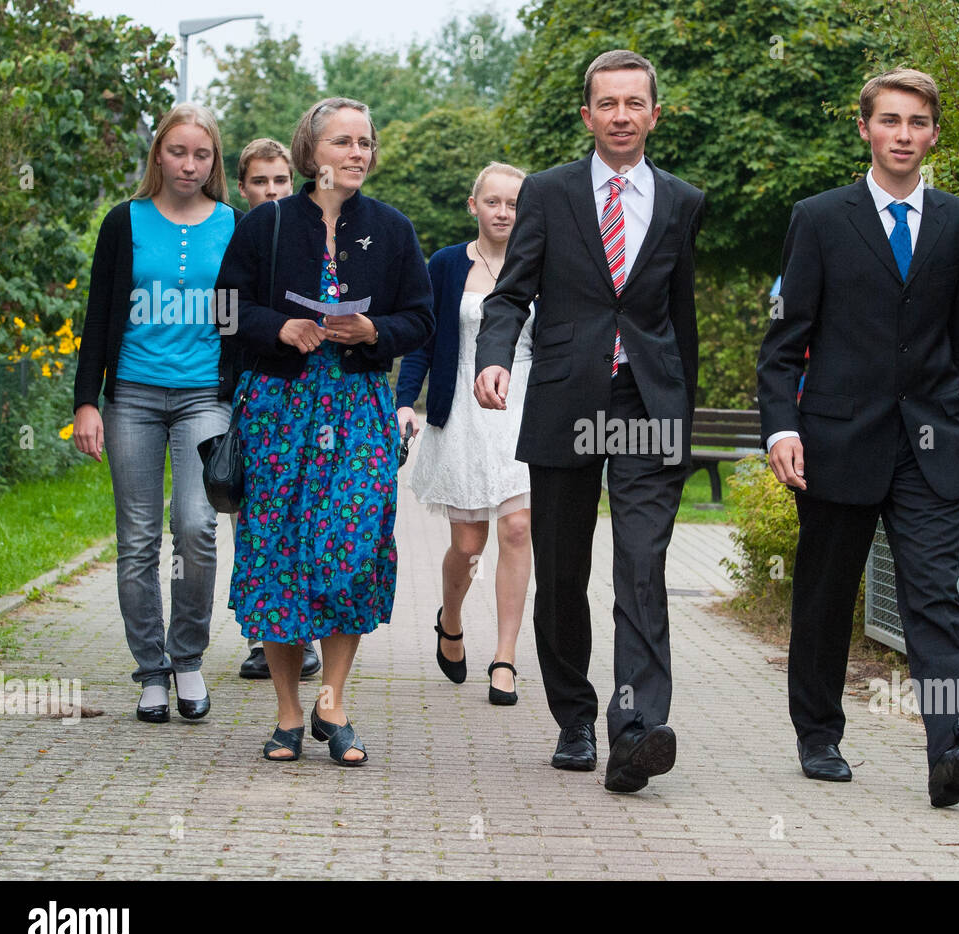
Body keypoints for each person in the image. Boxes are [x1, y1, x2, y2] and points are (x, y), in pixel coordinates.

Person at [756, 68, 959, 807]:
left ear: (933, 133)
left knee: (936, 596)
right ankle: (819, 731)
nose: (903, 134)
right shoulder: (820, 218)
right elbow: (783, 338)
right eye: (889, 120)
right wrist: (781, 428)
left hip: (932, 442)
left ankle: (950, 746)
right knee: (827, 596)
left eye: (917, 122)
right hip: (835, 440)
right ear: (865, 128)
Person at [475, 50, 704, 793]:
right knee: (563, 572)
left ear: (654, 115)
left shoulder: (681, 201)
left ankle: (634, 730)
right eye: (607, 103)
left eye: (635, 103)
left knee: (641, 567)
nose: (621, 115)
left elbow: (680, 319)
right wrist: (494, 355)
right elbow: (512, 292)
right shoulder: (548, 193)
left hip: (646, 405)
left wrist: (682, 414)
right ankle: (574, 716)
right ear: (588, 115)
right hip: (568, 402)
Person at [215, 97, 434, 764]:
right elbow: (226, 308)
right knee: (277, 555)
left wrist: (374, 331)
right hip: (278, 408)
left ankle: (332, 701)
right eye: (344, 141)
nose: (359, 153)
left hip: (358, 407)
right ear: (312, 152)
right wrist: (277, 326)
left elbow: (422, 319)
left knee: (353, 547)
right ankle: (287, 712)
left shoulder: (392, 230)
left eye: (366, 142)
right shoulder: (268, 224)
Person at [72, 103, 240, 724]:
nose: (189, 165)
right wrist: (87, 400)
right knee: (138, 536)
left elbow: (232, 319)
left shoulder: (231, 225)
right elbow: (98, 317)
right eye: (178, 152)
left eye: (201, 154)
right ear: (158, 156)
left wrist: (236, 392)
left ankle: (187, 657)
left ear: (214, 160)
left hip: (203, 396)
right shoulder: (126, 222)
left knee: (196, 526)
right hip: (133, 398)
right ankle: (150, 671)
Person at [395, 162, 531, 706]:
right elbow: (424, 340)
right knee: (468, 544)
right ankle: (450, 620)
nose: (503, 212)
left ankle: (505, 657)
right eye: (493, 202)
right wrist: (405, 401)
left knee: (518, 528)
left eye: (515, 203)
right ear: (473, 206)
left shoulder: (540, 263)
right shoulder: (447, 264)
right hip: (464, 412)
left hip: (524, 409)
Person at [230, 137, 322, 681]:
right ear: (243, 188)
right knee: (253, 516)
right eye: (259, 182)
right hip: (244, 387)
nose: (270, 191)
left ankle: (302, 633)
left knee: (303, 513)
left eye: (279, 181)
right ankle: (265, 634)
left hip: (305, 392)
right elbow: (226, 308)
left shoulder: (309, 230)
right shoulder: (242, 231)